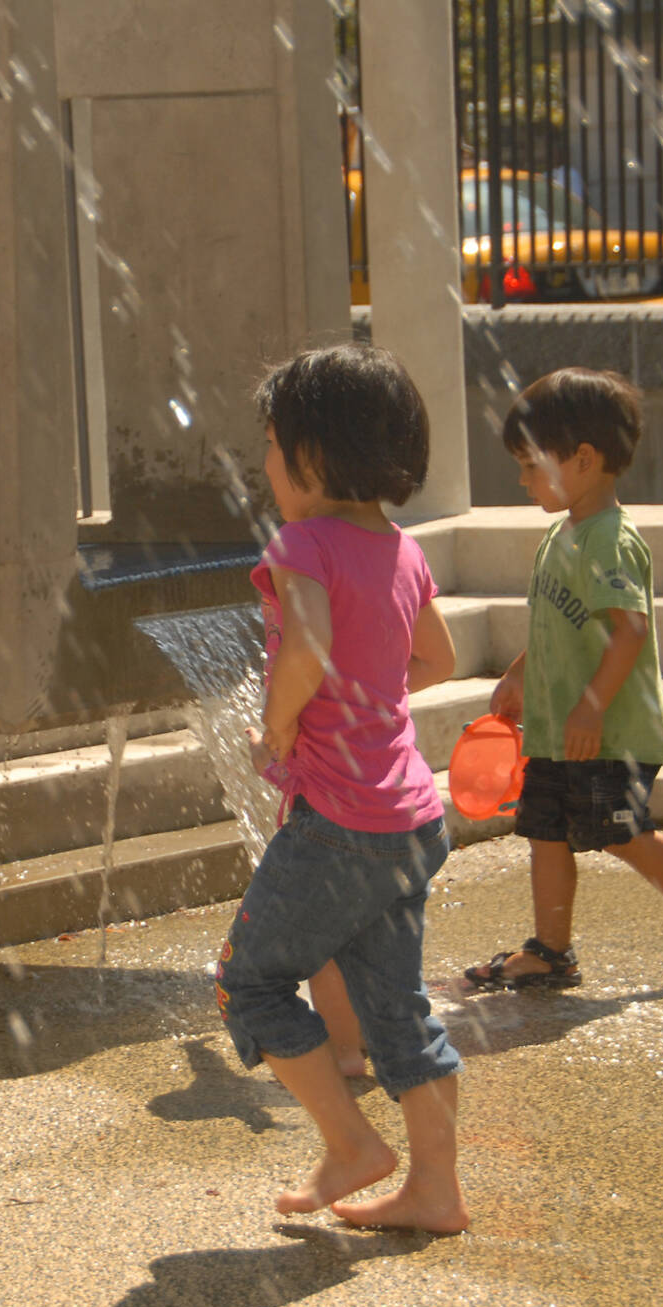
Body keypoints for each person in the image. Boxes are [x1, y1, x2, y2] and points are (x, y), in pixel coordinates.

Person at [214, 343, 467, 1234]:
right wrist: (370, 704)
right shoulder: (399, 551)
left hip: (339, 824)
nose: (268, 471)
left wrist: (283, 725)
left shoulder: (303, 542)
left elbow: (308, 648)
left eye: (274, 451)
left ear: (312, 457)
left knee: (248, 984)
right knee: (398, 1008)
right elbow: (435, 658)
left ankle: (350, 1142)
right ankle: (437, 1189)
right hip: (412, 815)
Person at [461, 368, 663, 994]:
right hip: (556, 729)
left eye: (531, 464)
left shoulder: (611, 541)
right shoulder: (559, 537)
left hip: (608, 731)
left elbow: (630, 631)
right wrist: (516, 676)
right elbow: (552, 629)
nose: (521, 479)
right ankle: (550, 949)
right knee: (544, 830)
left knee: (621, 832)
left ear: (584, 460)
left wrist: (591, 708)